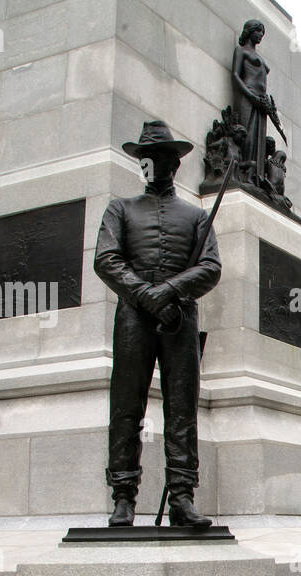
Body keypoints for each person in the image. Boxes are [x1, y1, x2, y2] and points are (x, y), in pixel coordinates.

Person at [94, 120, 222, 528]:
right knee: (126, 406)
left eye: (163, 157)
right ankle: (123, 496)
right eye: (148, 158)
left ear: (175, 164)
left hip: (180, 319)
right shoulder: (121, 209)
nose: (155, 164)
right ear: (141, 164)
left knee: (182, 409)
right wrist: (144, 295)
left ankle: (182, 496)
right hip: (133, 318)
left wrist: (168, 292)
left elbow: (211, 267)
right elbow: (106, 259)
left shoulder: (197, 217)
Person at [230, 19, 273, 183]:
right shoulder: (241, 51)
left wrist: (263, 101)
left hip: (261, 102)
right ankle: (243, 169)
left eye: (262, 32)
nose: (261, 35)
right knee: (247, 134)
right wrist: (250, 96)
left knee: (259, 139)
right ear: (249, 31)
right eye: (258, 31)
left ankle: (255, 174)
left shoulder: (260, 57)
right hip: (248, 96)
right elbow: (235, 75)